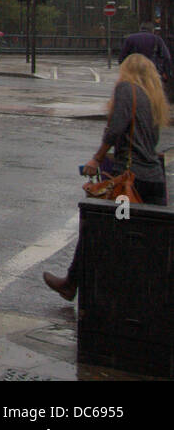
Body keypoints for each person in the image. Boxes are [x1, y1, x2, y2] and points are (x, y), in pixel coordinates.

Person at [43, 52, 169, 301]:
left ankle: (72, 283)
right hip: (154, 181)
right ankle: (151, 297)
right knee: (150, 242)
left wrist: (97, 158)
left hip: (130, 182)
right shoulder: (154, 99)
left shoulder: (127, 89)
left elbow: (116, 128)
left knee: (96, 228)